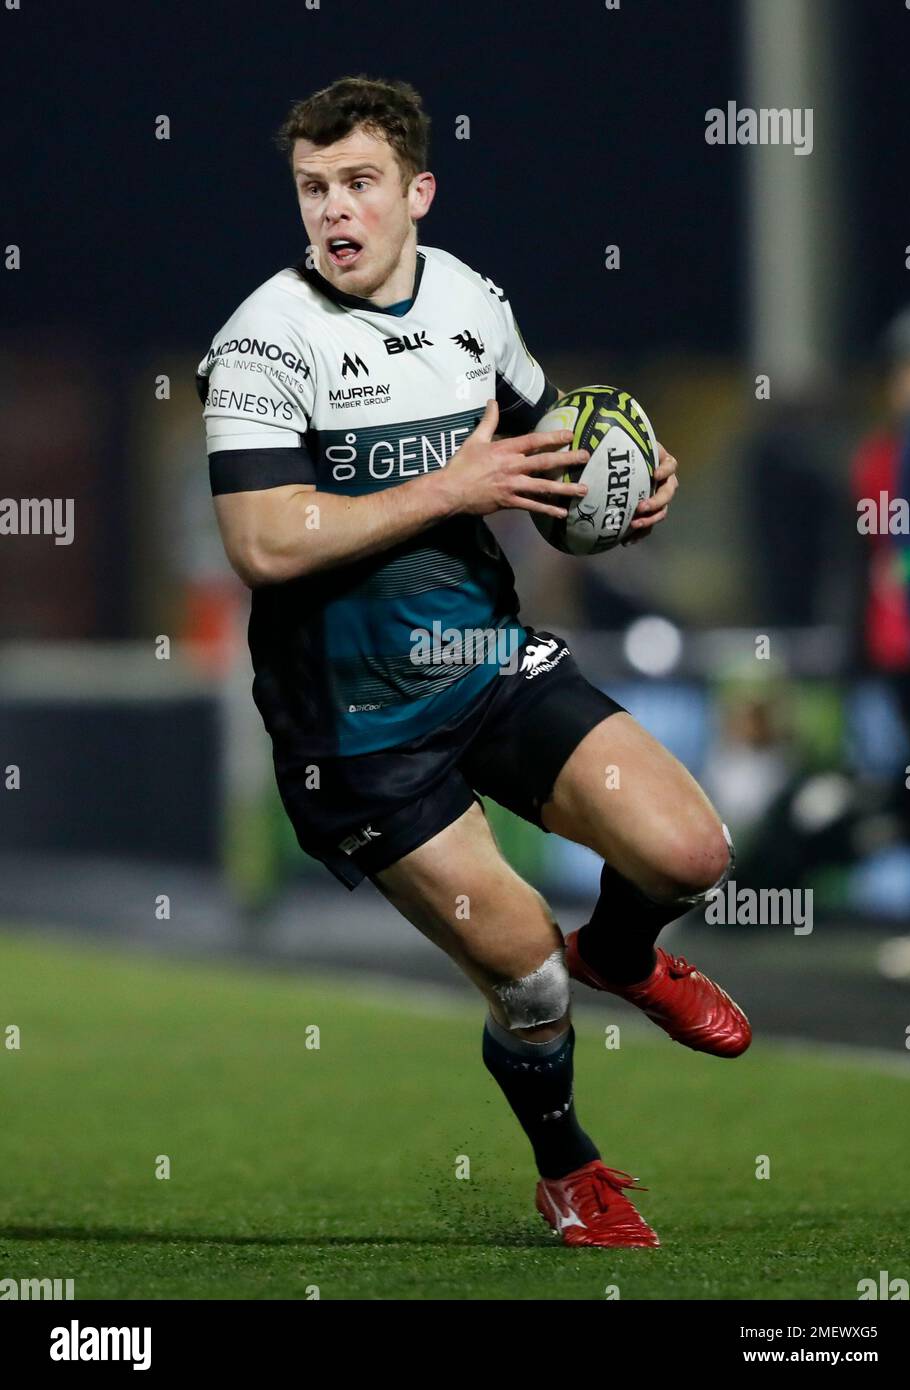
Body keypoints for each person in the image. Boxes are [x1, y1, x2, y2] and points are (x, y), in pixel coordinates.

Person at [196, 76, 749, 1249]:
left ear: (416, 194)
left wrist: (618, 492)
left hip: (490, 663)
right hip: (357, 731)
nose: (333, 213)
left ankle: (624, 949)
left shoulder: (469, 303)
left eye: (358, 185)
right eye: (312, 189)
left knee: (692, 851)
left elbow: (548, 459)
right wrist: (452, 484)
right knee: (527, 981)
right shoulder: (259, 340)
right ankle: (567, 1167)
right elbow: (261, 541)